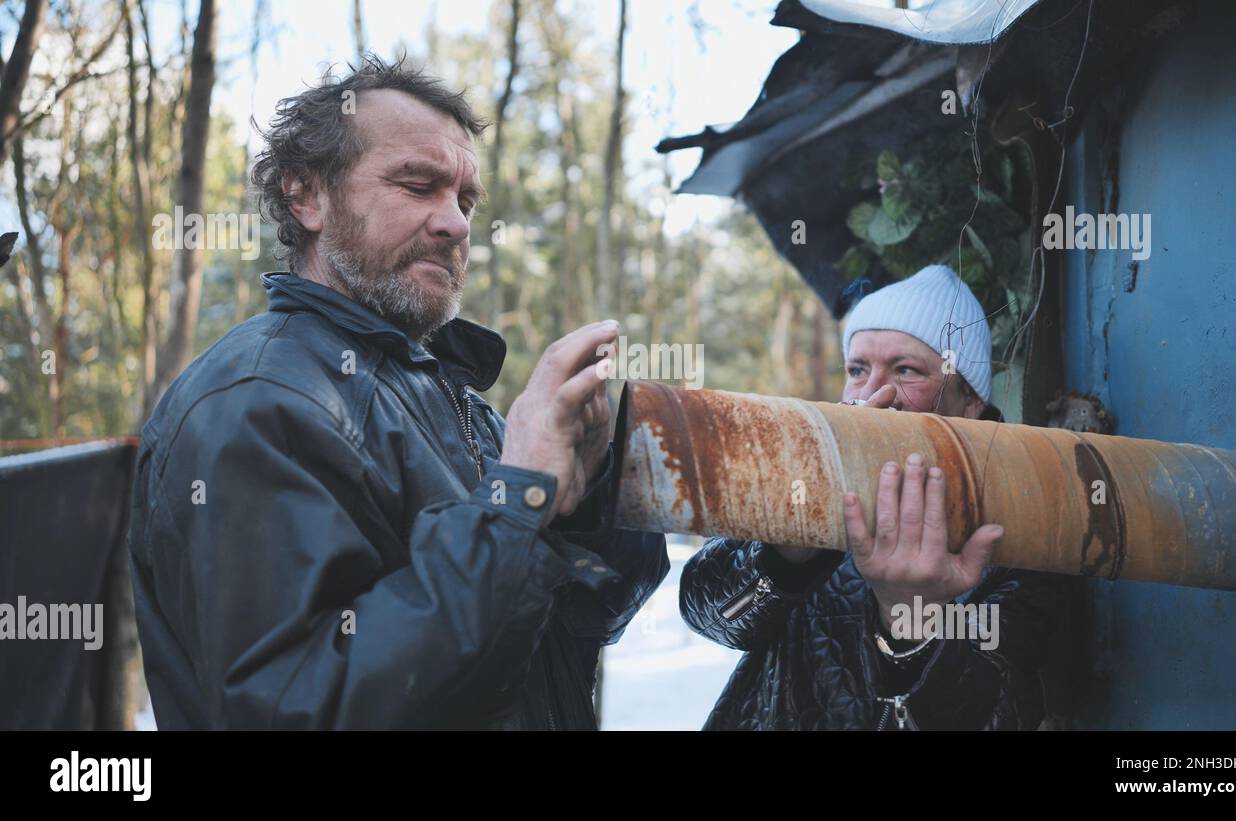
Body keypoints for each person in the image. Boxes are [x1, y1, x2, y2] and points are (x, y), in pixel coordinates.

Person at [127, 55, 667, 730]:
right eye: (418, 186)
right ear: (307, 195)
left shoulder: (455, 398)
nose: (457, 225)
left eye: (465, 201)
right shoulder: (254, 402)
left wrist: (582, 499)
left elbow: (574, 630)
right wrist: (517, 496)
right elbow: (303, 710)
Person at [680, 264, 1066, 730]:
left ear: (970, 403)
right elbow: (711, 618)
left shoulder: (1023, 529)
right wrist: (787, 551)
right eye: (858, 369)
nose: (876, 393)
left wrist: (913, 616)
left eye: (906, 370)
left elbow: (988, 714)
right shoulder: (809, 482)